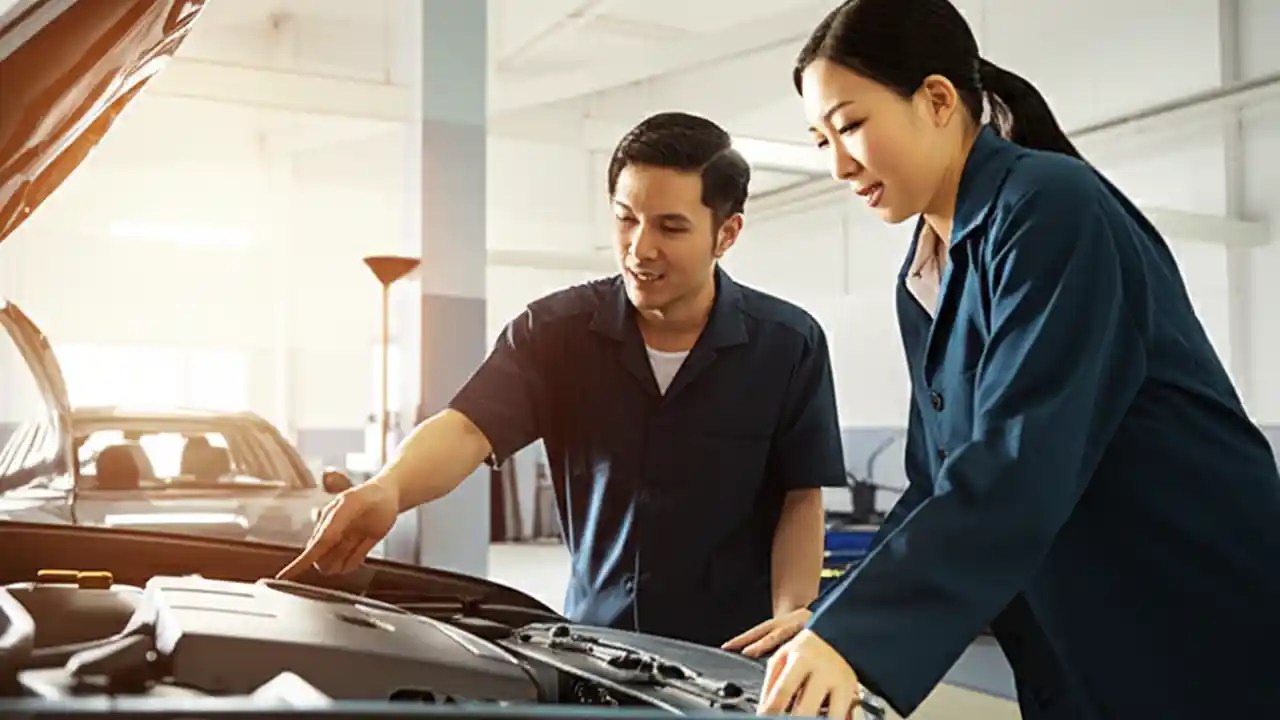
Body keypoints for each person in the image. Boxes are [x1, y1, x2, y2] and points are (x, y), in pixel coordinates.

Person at [741, 1, 1280, 718]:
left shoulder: (1052, 206)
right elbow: (940, 482)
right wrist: (835, 612)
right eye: (820, 140)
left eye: (851, 126)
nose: (838, 165)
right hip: (1080, 619)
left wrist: (857, 635)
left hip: (1181, 602)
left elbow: (1020, 455)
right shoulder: (926, 273)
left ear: (936, 100)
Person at [278, 111, 847, 650]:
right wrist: (390, 488)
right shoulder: (555, 334)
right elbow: (467, 429)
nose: (640, 248)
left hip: (735, 657)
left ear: (726, 235)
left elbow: (801, 498)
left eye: (671, 227)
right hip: (597, 648)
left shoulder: (788, 346)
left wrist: (791, 618)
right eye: (626, 218)